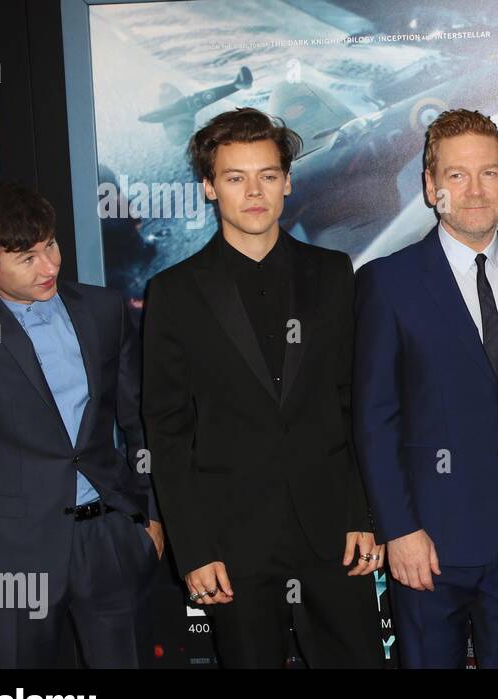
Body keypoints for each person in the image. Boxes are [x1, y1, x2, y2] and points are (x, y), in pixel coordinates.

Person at [142, 108, 382, 668]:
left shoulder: (331, 272)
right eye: (235, 177)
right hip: (233, 546)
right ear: (208, 187)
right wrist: (193, 549)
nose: (254, 192)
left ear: (288, 182)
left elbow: (354, 403)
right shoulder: (174, 293)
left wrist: (362, 513)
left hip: (334, 536)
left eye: (268, 175)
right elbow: (167, 431)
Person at [353, 109, 498, 668]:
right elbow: (375, 419)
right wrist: (398, 529)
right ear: (430, 187)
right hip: (428, 542)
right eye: (456, 175)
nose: (475, 190)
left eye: (489, 173)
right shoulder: (387, 281)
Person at [0, 178, 160, 667]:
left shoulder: (103, 309)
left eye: (52, 246)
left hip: (109, 536)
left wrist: (148, 513)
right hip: (10, 550)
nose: (50, 266)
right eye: (27, 258)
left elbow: (138, 415)